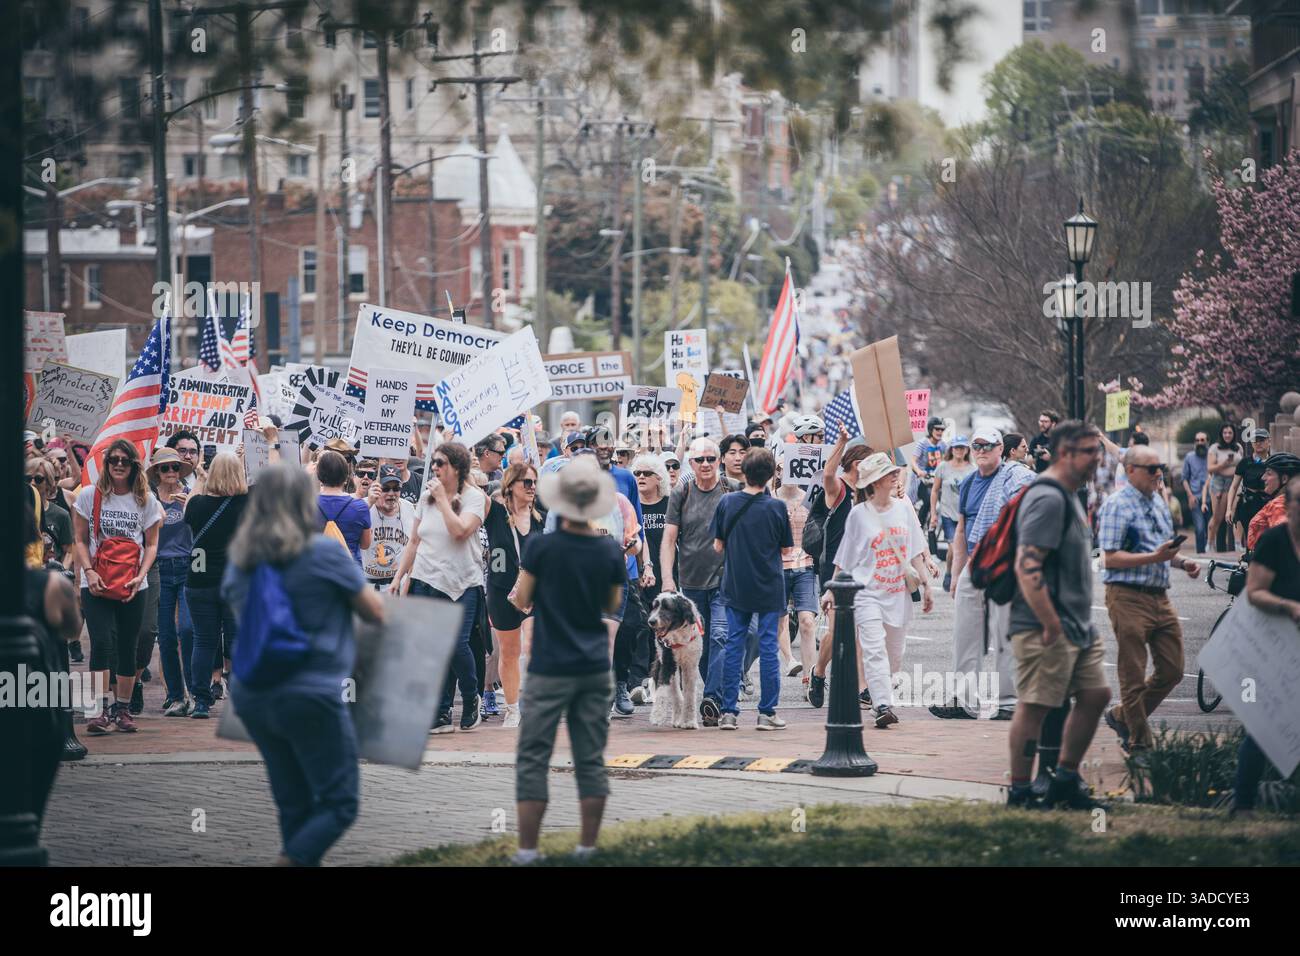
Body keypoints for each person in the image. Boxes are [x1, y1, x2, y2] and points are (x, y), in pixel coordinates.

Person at [222, 464, 385, 866]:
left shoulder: (242, 558)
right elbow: (375, 611)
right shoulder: (322, 552)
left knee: (293, 802)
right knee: (340, 802)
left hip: (253, 693)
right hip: (309, 690)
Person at [510, 457, 625, 864]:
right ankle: (587, 847)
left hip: (549, 666)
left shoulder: (541, 547)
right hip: (594, 665)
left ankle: (527, 851)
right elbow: (611, 603)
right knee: (590, 759)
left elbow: (522, 599)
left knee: (533, 758)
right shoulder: (609, 550)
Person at [1006, 421, 1111, 809]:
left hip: (1077, 626)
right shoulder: (1047, 497)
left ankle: (1065, 780)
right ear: (1065, 453)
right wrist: (1049, 621)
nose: (1096, 458)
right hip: (1044, 625)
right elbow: (1027, 566)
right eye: (1089, 451)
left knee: (1096, 694)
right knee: (1035, 706)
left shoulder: (1070, 495)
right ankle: (1019, 791)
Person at [1097, 444, 1200, 762]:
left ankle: (1122, 716)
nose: (1159, 474)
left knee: (1173, 670)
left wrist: (1181, 562)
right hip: (1127, 596)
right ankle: (1139, 744)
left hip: (1159, 596)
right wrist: (1156, 557)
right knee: (1133, 671)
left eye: (1161, 468)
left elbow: (1161, 549)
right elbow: (1110, 559)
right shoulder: (1117, 505)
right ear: (1130, 471)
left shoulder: (1158, 501)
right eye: (1151, 469)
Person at [930, 427, 1031, 721]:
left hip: (1005, 561)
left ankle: (1009, 703)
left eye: (989, 445)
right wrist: (957, 574)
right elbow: (961, 529)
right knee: (965, 635)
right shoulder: (970, 482)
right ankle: (964, 700)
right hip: (976, 561)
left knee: (1004, 632)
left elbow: (1027, 499)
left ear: (1002, 449)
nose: (983, 450)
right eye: (978, 445)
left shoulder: (1014, 476)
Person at [831, 452, 933, 729]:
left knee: (894, 655)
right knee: (873, 649)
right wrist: (831, 590)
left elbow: (914, 552)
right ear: (874, 482)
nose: (895, 475)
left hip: (897, 593)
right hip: (867, 593)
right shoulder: (858, 515)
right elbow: (845, 558)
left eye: (893, 472)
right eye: (889, 473)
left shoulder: (904, 509)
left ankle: (883, 693)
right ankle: (882, 705)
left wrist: (926, 585)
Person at [390, 441, 487, 733]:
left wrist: (443, 500)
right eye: (433, 462)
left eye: (441, 463)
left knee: (456, 645)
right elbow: (414, 541)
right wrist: (399, 578)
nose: (434, 467)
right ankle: (441, 712)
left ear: (456, 467)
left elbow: (460, 531)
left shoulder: (474, 497)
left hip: (461, 583)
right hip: (426, 579)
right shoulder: (426, 496)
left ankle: (471, 698)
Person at [72, 439, 162, 734]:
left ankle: (122, 709)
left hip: (134, 584)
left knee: (128, 645)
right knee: (101, 642)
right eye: (114, 460)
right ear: (106, 464)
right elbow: (80, 540)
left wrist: (141, 574)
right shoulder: (89, 495)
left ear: (135, 465)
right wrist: (88, 571)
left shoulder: (145, 500)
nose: (120, 465)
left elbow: (151, 544)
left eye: (126, 460)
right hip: (96, 581)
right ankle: (98, 710)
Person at [660, 436, 741, 725]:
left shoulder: (731, 489)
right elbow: (669, 539)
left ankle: (713, 699)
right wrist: (667, 579)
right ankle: (713, 698)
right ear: (691, 463)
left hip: (725, 579)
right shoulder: (682, 492)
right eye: (699, 459)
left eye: (711, 459)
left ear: (719, 461)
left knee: (720, 635)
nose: (706, 464)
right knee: (701, 646)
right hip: (691, 582)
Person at [711, 448, 794, 731]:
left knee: (734, 645)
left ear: (743, 472)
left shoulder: (727, 502)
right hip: (770, 585)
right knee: (769, 647)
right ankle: (767, 713)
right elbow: (786, 549)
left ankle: (728, 713)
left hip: (735, 584)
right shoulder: (777, 507)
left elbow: (717, 545)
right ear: (771, 476)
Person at [1234, 480, 1300, 814]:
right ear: (1288, 506)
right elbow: (1254, 592)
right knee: (1265, 726)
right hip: (1275, 642)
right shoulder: (1275, 541)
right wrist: (1288, 607)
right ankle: (1242, 803)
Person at [805, 435, 874, 708]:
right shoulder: (839, 489)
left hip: (863, 567)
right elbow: (828, 473)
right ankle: (819, 672)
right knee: (836, 630)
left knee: (859, 630)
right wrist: (841, 443)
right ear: (857, 464)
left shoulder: (867, 491)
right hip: (834, 567)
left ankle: (861, 688)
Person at [184, 452, 249, 719]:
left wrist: (200, 478)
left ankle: (201, 699)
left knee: (203, 641)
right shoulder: (246, 504)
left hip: (199, 583)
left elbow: (189, 508)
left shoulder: (197, 504)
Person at [483, 462, 544, 728]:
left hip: (534, 590)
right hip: (501, 590)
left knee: (532, 645)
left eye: (534, 482)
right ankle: (512, 708)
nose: (532, 488)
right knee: (509, 652)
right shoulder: (494, 513)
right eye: (526, 483)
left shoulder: (542, 514)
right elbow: (471, 493)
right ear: (510, 486)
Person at [148, 447, 197, 717]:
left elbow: (201, 529)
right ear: (156, 471)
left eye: (175, 468)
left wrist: (189, 507)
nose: (170, 473)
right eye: (164, 468)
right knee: (165, 635)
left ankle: (194, 691)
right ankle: (176, 695)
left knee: (188, 630)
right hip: (160, 569)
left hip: (187, 567)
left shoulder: (190, 496)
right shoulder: (148, 499)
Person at [630, 452, 671, 703]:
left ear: (659, 478)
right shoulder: (630, 505)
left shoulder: (670, 504)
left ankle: (659, 679)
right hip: (636, 576)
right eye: (637, 473)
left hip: (665, 576)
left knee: (664, 629)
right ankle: (638, 680)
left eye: (647, 473)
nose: (641, 477)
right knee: (638, 626)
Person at [775, 474, 818, 681]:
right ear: (777, 473)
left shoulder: (809, 497)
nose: (788, 474)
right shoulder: (771, 498)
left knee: (807, 621)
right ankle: (790, 660)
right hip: (777, 566)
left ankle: (811, 678)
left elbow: (819, 528)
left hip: (805, 564)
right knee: (779, 619)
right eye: (783, 468)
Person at [362, 465, 416, 590]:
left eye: (396, 488)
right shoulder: (364, 506)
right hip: (368, 585)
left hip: (397, 585)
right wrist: (369, 504)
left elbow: (414, 548)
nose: (391, 494)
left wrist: (406, 585)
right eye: (385, 489)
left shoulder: (408, 508)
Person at [930, 436, 974, 592]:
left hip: (966, 515)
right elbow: (935, 491)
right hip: (948, 514)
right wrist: (933, 513)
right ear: (951, 450)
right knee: (954, 549)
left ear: (967, 450)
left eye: (962, 448)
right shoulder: (943, 467)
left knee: (963, 549)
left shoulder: (972, 469)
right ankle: (950, 574)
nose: (959, 451)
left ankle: (957, 577)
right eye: (956, 448)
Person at [316, 450, 372, 567]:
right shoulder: (360, 507)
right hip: (349, 574)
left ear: (319, 476)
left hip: (316, 573)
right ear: (346, 478)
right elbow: (365, 544)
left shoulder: (305, 504)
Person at [1245, 453, 1300, 550]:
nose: (1263, 477)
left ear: (1284, 479)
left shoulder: (1279, 505)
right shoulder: (1288, 502)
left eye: (1269, 473)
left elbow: (1285, 538)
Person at [1228, 430, 1272, 547]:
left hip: (1267, 504)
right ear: (1251, 444)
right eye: (1255, 441)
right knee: (1251, 537)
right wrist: (1229, 509)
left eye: (1262, 440)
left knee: (1266, 537)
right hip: (1248, 503)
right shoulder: (1245, 462)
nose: (1258, 443)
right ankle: (1251, 561)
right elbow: (1233, 486)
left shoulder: (1274, 462)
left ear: (1269, 441)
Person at [1206, 423, 1244, 553]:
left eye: (1230, 433)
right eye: (1225, 433)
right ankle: (1210, 543)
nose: (1227, 435)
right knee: (1218, 516)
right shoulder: (1214, 448)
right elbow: (1210, 468)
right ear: (1221, 434)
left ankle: (1238, 543)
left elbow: (1241, 465)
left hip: (1236, 482)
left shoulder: (1238, 447)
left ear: (1234, 434)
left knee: (1236, 513)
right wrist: (1224, 464)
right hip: (1219, 483)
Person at [28, 458, 72, 568]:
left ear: (49, 483)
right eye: (27, 478)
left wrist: (62, 572)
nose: (32, 483)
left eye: (38, 479)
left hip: (49, 578)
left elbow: (69, 551)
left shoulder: (61, 515)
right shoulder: (14, 512)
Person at [1179, 431, 1211, 554]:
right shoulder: (1189, 457)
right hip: (1196, 499)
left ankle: (1213, 555)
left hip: (1213, 498)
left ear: (1208, 442)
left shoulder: (1212, 456)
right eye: (1197, 440)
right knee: (1200, 528)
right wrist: (1190, 496)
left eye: (1202, 440)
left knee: (1212, 528)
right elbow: (1184, 479)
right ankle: (1201, 554)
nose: (1200, 443)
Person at [1028, 409, 1060, 474]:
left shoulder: (1061, 438)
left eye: (1045, 421)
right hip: (1040, 476)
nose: (1042, 424)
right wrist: (1030, 459)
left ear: (1053, 423)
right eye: (1040, 421)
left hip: (1058, 476)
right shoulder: (1036, 440)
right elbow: (1029, 457)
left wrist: (1051, 458)